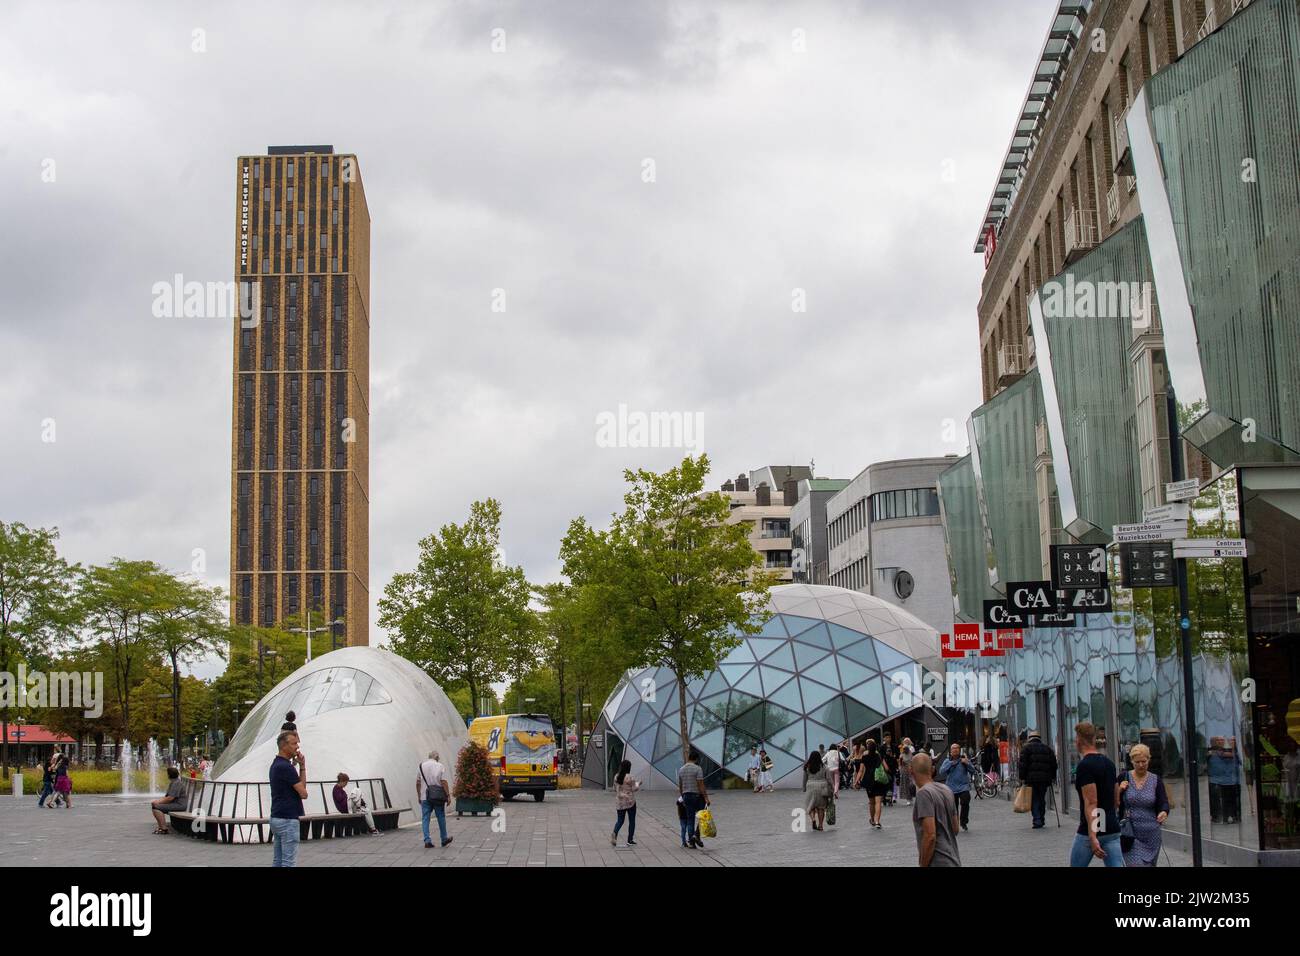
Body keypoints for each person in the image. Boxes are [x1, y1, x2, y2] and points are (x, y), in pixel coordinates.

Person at [1070, 721, 1124, 867]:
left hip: (1091, 831)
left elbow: (1091, 802)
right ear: (1094, 739)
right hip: (1111, 827)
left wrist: (1093, 836)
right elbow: (1116, 799)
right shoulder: (1109, 764)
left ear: (1078, 740)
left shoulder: (1084, 766)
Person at [1117, 743, 1169, 866]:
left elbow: (1163, 801)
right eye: (1137, 762)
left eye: (1144, 761)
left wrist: (1164, 811)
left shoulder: (1155, 780)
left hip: (1152, 834)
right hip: (1130, 834)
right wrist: (1119, 790)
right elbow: (1111, 801)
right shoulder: (1123, 777)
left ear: (1149, 760)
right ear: (1132, 761)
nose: (1141, 765)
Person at [911, 752, 961, 867]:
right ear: (932, 770)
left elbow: (930, 835)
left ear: (911, 771)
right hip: (953, 858)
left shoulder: (924, 793)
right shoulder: (946, 789)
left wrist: (923, 864)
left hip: (938, 861)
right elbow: (955, 828)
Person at [269, 730, 308, 867]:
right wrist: (300, 768)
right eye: (294, 743)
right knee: (288, 863)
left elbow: (301, 788)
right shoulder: (286, 767)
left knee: (278, 861)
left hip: (276, 817)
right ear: (284, 746)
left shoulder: (276, 765)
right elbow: (304, 794)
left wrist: (302, 767)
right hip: (288, 819)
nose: (297, 746)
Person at [1018, 729, 1058, 829]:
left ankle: (1037, 820)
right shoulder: (1047, 749)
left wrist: (1022, 777)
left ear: (1030, 739)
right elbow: (1054, 764)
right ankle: (1042, 818)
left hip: (1031, 779)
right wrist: (1052, 777)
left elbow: (1023, 765)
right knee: (1041, 798)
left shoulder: (1026, 749)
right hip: (1044, 779)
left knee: (1034, 799)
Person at [417, 750, 453, 849]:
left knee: (425, 818)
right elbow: (444, 782)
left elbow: (418, 782)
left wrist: (419, 796)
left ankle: (427, 840)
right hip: (438, 797)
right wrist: (448, 796)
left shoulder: (421, 766)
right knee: (441, 817)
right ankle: (444, 839)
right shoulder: (440, 766)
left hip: (425, 796)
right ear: (436, 757)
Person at [676, 749, 710, 849]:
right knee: (703, 816)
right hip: (697, 796)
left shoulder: (681, 769)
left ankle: (691, 842)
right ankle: (696, 835)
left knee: (690, 819)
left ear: (689, 758)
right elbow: (701, 784)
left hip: (686, 796)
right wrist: (706, 797)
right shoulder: (698, 768)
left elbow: (680, 786)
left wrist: (682, 796)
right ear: (696, 759)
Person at [937, 743, 973, 831]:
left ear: (959, 750)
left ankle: (963, 821)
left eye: (957, 748)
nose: (955, 750)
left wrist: (967, 763)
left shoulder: (964, 759)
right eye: (953, 748)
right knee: (954, 807)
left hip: (963, 786)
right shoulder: (947, 761)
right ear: (950, 751)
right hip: (951, 788)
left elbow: (973, 770)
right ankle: (954, 823)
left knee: (965, 801)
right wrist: (950, 764)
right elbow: (941, 771)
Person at [1207, 737, 1242, 824]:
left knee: (1231, 799)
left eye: (1222, 740)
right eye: (1218, 740)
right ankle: (1221, 816)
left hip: (1230, 780)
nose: (1220, 742)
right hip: (1217, 780)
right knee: (1219, 799)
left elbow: (1238, 761)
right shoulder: (1210, 752)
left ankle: (1231, 816)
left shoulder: (1232, 752)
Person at [151, 766, 187, 834]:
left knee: (156, 807)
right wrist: (158, 801)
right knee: (155, 805)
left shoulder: (176, 783)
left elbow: (170, 798)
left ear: (169, 775)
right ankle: (161, 827)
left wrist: (158, 802)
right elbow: (167, 797)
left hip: (179, 805)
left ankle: (163, 828)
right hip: (175, 804)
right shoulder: (174, 782)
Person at [611, 759, 639, 847]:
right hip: (630, 801)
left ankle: (615, 832)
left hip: (620, 802)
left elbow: (614, 789)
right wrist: (638, 783)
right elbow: (635, 789)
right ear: (629, 767)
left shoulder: (616, 776)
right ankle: (630, 840)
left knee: (620, 820)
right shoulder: (630, 777)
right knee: (632, 821)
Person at [802, 750, 831, 830]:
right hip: (822, 787)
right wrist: (832, 788)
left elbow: (805, 779)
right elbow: (828, 779)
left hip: (810, 786)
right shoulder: (824, 766)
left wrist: (804, 788)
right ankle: (821, 825)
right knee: (821, 807)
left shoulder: (807, 767)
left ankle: (813, 819)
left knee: (810, 805)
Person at [862, 739, 887, 828]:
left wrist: (856, 781)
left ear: (868, 748)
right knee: (878, 802)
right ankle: (877, 821)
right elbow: (885, 768)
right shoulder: (878, 756)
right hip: (878, 780)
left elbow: (861, 770)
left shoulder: (864, 757)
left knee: (871, 802)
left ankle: (872, 819)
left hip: (869, 781)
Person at [898, 737, 916, 806]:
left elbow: (912, 760)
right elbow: (900, 761)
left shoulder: (911, 749)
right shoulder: (902, 753)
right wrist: (900, 767)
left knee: (911, 784)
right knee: (905, 784)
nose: (904, 749)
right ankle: (908, 798)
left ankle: (911, 797)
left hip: (910, 769)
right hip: (904, 770)